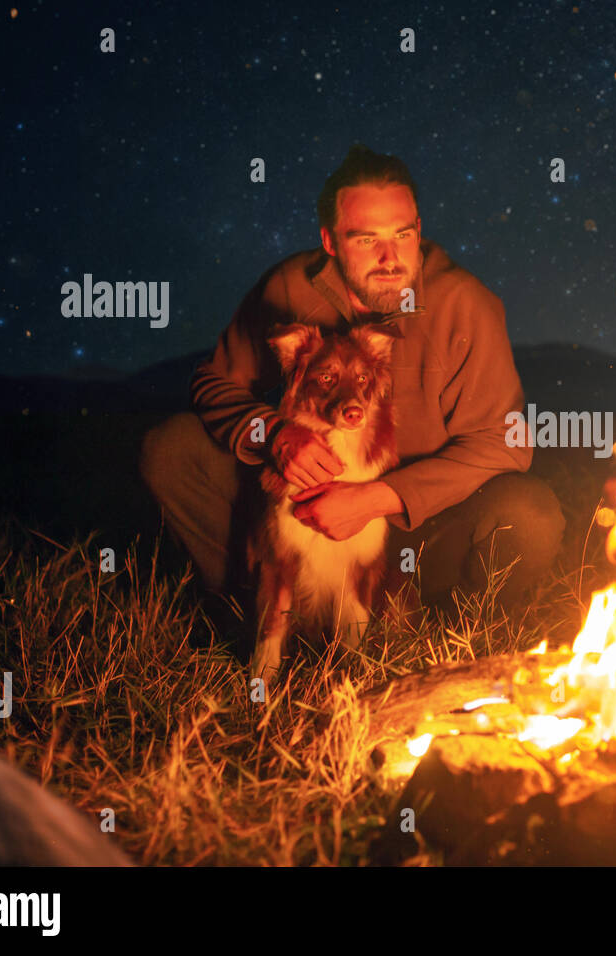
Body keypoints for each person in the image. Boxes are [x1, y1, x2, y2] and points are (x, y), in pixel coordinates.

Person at [139, 144, 564, 640]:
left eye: (403, 235)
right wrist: (274, 434)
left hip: (416, 532)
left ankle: (456, 636)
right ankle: (257, 611)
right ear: (331, 241)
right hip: (300, 511)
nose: (390, 257)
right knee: (171, 449)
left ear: (419, 230)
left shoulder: (466, 305)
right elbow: (213, 384)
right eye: (366, 240)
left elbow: (505, 443)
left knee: (529, 515)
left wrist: (376, 498)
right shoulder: (286, 286)